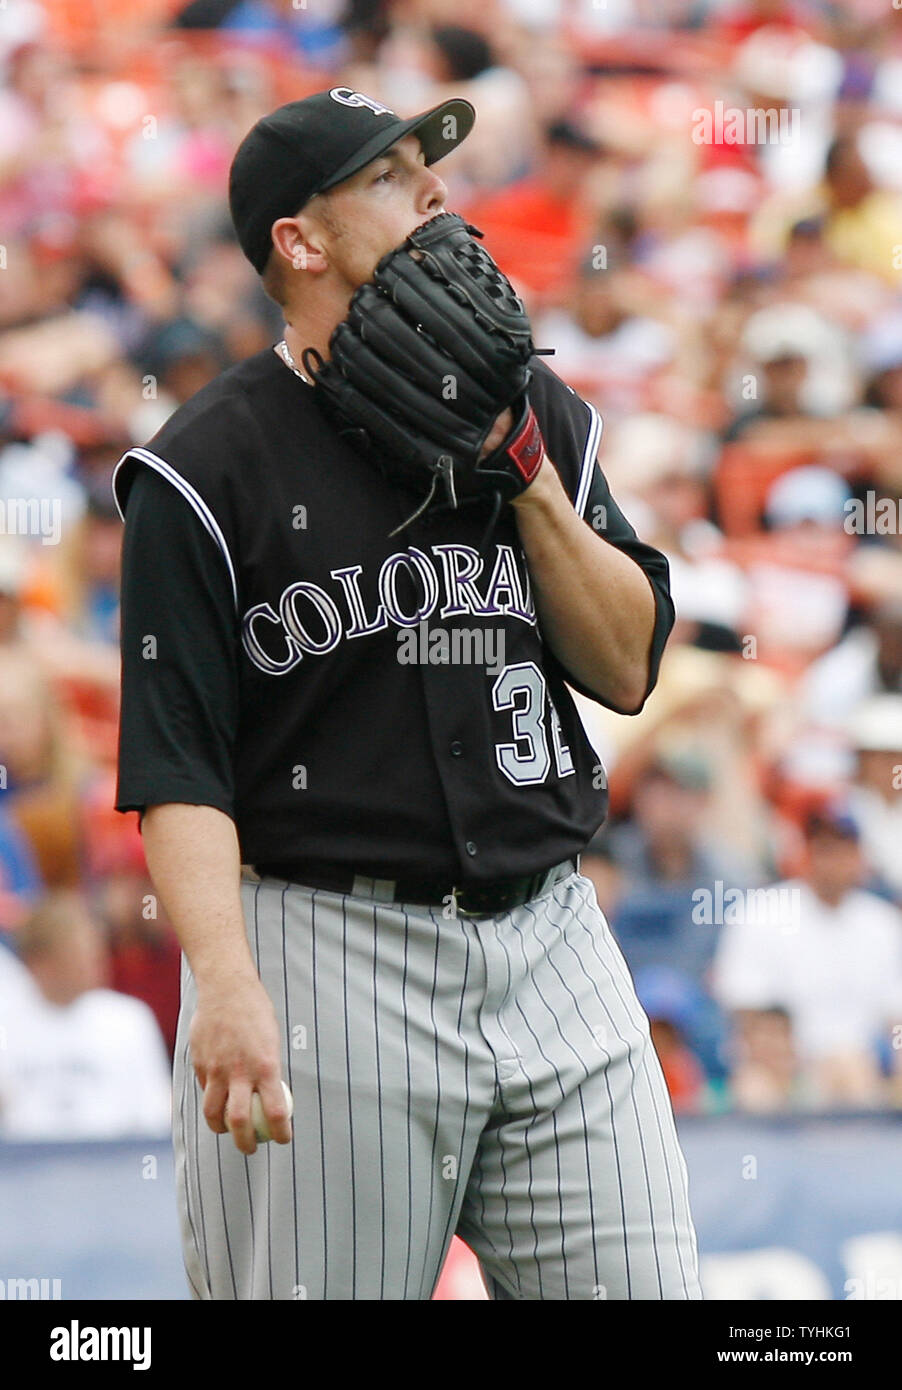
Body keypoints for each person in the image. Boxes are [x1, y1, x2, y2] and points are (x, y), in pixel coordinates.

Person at [113, 88, 701, 1301]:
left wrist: (523, 471)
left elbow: (628, 663)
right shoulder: (202, 468)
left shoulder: (526, 402)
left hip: (552, 938)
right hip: (327, 953)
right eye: (389, 176)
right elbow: (176, 767)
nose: (435, 191)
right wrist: (222, 984)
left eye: (429, 168)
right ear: (299, 239)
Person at [0, 890, 172, 1139]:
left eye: (94, 951)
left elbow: (155, 1115)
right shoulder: (6, 1023)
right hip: (23, 1167)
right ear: (41, 961)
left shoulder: (129, 1020)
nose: (94, 963)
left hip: (114, 1163)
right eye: (79, 954)